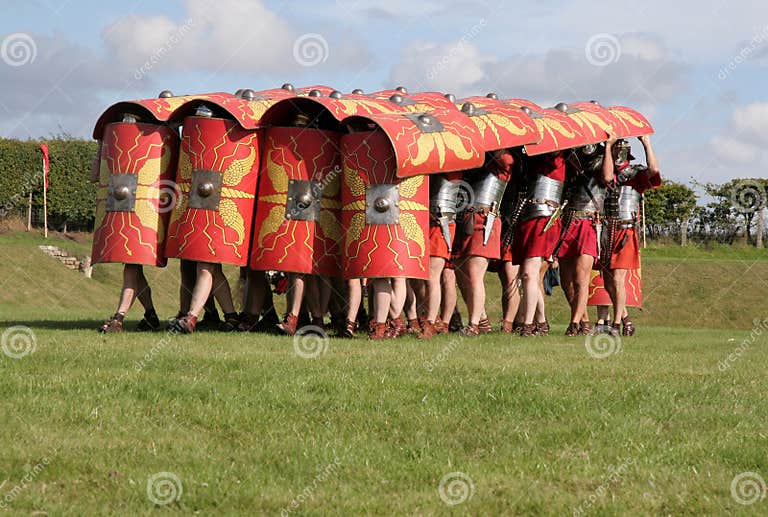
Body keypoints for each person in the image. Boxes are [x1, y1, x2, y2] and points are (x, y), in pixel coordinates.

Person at [602, 134, 661, 336]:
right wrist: (607, 147)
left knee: (618, 278)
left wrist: (646, 143)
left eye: (620, 148)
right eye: (614, 149)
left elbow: (654, 170)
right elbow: (608, 178)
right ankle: (626, 321)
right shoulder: (605, 168)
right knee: (607, 281)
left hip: (625, 230)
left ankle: (616, 326)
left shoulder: (636, 174)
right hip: (606, 230)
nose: (617, 152)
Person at [454, 150, 515, 335]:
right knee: (460, 271)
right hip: (463, 217)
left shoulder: (505, 156)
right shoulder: (472, 151)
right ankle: (481, 320)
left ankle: (473, 324)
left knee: (474, 273)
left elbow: (505, 161)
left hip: (484, 216)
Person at [557, 144, 611, 336]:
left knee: (581, 278)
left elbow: (607, 177)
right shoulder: (570, 156)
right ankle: (585, 321)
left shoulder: (604, 157)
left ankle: (574, 323)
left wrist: (609, 147)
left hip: (589, 222)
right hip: (567, 221)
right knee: (566, 281)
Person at [512, 151, 567, 336]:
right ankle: (542, 322)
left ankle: (527, 325)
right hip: (526, 217)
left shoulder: (559, 156)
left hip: (545, 217)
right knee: (530, 276)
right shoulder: (529, 158)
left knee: (529, 274)